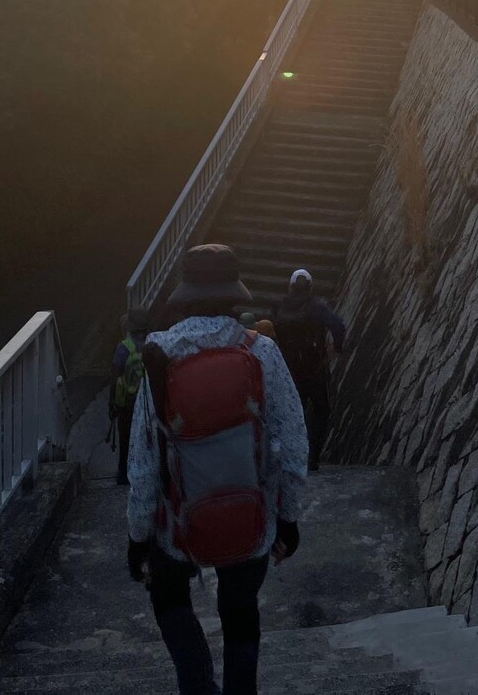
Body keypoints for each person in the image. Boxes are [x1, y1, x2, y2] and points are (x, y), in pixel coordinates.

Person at [126, 244, 307, 695]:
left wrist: (137, 538)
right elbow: (293, 446)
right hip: (253, 519)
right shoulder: (261, 351)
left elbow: (144, 463)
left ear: (184, 295)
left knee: (168, 595)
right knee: (241, 608)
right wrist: (288, 519)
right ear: (234, 295)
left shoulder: (158, 354)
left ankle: (197, 685)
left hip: (178, 529)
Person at [272, 269, 346, 473]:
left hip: (289, 373)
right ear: (310, 287)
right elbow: (338, 326)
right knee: (321, 411)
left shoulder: (278, 307)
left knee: (295, 414)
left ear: (291, 286)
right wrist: (336, 349)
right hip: (315, 371)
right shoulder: (317, 307)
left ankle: (293, 457)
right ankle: (312, 459)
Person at [109, 307, 148, 486]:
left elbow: (116, 376)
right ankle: (144, 471)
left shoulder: (124, 347)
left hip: (127, 402)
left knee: (125, 438)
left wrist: (112, 404)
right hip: (147, 401)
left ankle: (123, 474)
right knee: (145, 438)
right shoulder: (152, 343)